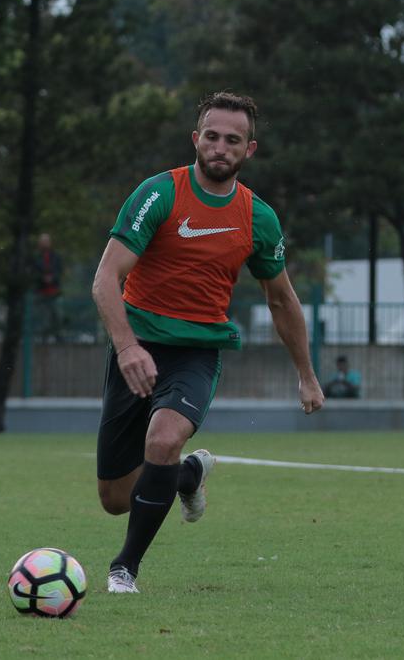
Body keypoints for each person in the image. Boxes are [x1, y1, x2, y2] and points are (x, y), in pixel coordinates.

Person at [91, 92, 324, 595]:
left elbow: (281, 300)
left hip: (197, 351)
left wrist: (306, 375)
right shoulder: (160, 194)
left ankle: (124, 569)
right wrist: (127, 347)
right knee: (114, 496)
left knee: (165, 439)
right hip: (137, 346)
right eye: (212, 136)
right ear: (196, 139)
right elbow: (105, 277)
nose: (220, 147)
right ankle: (188, 476)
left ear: (249, 150)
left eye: (232, 140)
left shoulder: (258, 218)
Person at [31, 233, 64, 342]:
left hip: (54, 292)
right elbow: (34, 273)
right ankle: (43, 340)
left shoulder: (56, 257)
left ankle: (59, 338)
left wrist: (52, 278)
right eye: (43, 241)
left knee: (57, 316)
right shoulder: (36, 258)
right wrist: (42, 278)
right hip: (41, 292)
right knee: (44, 318)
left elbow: (59, 271)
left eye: (47, 241)